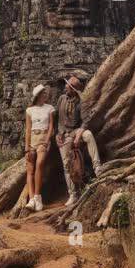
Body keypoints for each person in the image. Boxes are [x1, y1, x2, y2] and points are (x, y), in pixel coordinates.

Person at [56, 75, 102, 207]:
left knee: (88, 135)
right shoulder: (61, 99)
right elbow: (57, 120)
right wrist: (58, 134)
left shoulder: (80, 102)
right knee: (66, 163)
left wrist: (78, 135)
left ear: (73, 89)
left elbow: (85, 121)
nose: (65, 87)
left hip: (75, 131)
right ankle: (73, 194)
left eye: (68, 86)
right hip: (64, 134)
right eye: (66, 85)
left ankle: (97, 166)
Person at [25, 84, 55, 212]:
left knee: (40, 163)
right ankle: (31, 199)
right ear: (38, 96)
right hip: (32, 139)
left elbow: (51, 127)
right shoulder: (29, 110)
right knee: (30, 169)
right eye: (43, 93)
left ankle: (38, 196)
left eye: (45, 93)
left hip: (43, 139)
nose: (45, 95)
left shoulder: (50, 108)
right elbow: (27, 129)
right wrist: (27, 147)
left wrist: (46, 142)